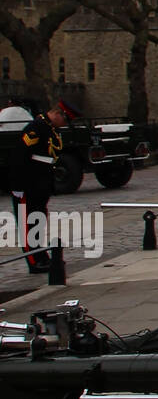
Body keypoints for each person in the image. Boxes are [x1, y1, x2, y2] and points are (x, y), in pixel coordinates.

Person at [12, 99, 80, 273]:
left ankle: (42, 256)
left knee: (38, 220)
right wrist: (18, 185)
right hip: (28, 182)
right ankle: (34, 261)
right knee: (28, 222)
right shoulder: (36, 128)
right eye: (65, 120)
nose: (65, 124)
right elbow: (20, 156)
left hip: (41, 182)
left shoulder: (49, 128)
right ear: (58, 114)